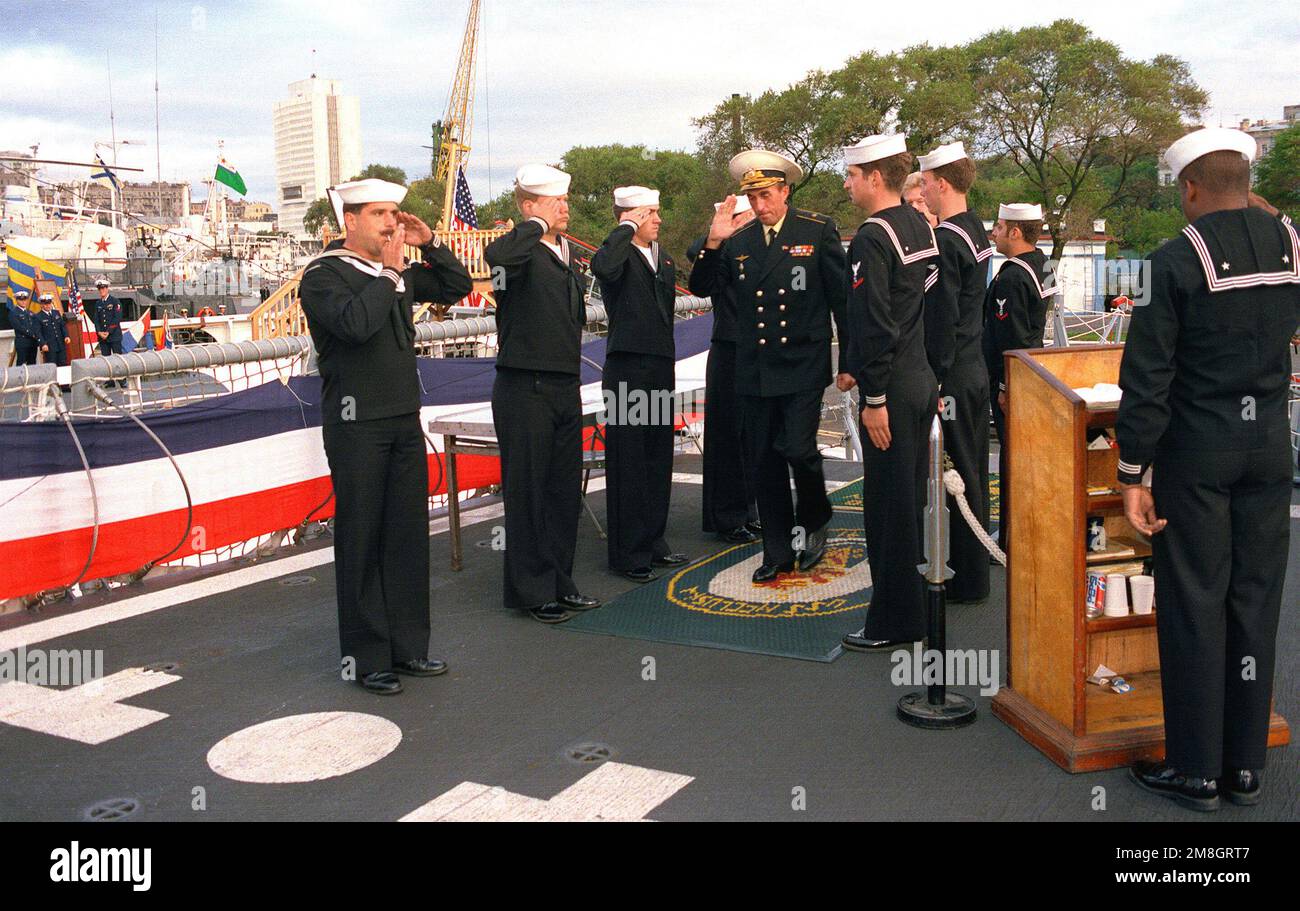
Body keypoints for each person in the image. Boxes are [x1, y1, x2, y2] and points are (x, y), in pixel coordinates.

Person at [1119, 128, 1299, 811]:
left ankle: (1196, 769)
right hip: (1269, 448)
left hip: (1197, 454)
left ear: (1189, 187)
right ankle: (1245, 766)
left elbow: (1148, 377)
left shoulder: (1168, 262)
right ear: (1245, 181)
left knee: (1196, 606)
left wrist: (1133, 473)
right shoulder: (1292, 245)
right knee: (1255, 600)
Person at [299, 177, 473, 695]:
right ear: (350, 221)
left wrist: (432, 245)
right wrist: (392, 274)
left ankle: (408, 648)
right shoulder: (324, 276)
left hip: (401, 419)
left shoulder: (392, 273)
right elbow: (354, 326)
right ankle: (366, 657)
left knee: (405, 537)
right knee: (362, 539)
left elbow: (457, 285)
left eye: (395, 213)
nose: (392, 222)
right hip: (357, 426)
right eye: (380, 214)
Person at [688, 149, 849, 583]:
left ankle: (814, 518)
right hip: (754, 369)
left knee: (797, 449)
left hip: (801, 364)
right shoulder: (737, 242)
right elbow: (700, 286)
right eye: (753, 198)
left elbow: (842, 301)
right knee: (763, 462)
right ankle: (777, 550)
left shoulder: (816, 231)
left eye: (766, 196)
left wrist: (850, 360)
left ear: (785, 191)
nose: (760, 206)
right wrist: (714, 239)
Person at [485, 164, 603, 624]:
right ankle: (532, 591)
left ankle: (560, 581)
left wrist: (547, 228)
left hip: (562, 384)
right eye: (555, 202)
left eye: (565, 200)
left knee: (561, 491)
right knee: (529, 492)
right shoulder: (518, 250)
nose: (565, 208)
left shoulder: (564, 250)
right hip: (524, 386)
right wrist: (533, 225)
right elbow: (496, 257)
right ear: (529, 206)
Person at [839, 134, 940, 652]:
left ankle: (894, 620)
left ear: (874, 177)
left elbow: (876, 321)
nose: (848, 183)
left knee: (887, 507)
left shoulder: (873, 236)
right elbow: (923, 304)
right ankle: (914, 608)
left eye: (852, 174)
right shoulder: (918, 223)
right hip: (919, 375)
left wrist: (873, 395)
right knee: (909, 499)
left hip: (893, 388)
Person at [591, 186, 689, 582]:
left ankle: (653, 540)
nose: (659, 220)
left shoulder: (660, 256)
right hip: (627, 370)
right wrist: (623, 228)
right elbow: (604, 268)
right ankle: (628, 552)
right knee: (629, 460)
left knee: (656, 455)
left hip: (659, 366)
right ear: (631, 217)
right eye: (651, 213)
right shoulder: (617, 253)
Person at [919, 141, 993, 602]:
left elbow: (941, 315)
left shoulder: (947, 239)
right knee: (972, 470)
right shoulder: (975, 230)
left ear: (941, 183)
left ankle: (967, 578)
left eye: (925, 183)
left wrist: (935, 374)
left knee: (957, 476)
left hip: (954, 372)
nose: (922, 191)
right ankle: (974, 570)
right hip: (974, 366)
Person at [982, 202, 1056, 554]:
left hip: (1014, 376)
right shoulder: (1045, 263)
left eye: (998, 226)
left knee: (1014, 458)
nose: (993, 233)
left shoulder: (1011, 275)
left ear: (1014, 231)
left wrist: (1004, 385)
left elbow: (1011, 335)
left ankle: (1012, 537)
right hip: (1037, 370)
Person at [691, 196, 760, 544]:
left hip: (757, 350)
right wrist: (719, 234)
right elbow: (697, 262)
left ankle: (749, 509)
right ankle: (726, 517)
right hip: (729, 349)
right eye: (747, 213)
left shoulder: (762, 244)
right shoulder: (720, 247)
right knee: (727, 438)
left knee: (752, 437)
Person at [90, 277, 124, 356]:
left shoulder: (115, 301)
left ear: (107, 288)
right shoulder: (98, 303)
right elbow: (96, 320)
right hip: (103, 338)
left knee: (118, 360)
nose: (101, 290)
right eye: (99, 289)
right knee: (106, 361)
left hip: (114, 336)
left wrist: (108, 331)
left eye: (103, 288)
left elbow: (117, 318)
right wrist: (99, 332)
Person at [7, 290, 40, 366]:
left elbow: (36, 324)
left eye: (25, 299)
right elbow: (19, 328)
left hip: (32, 342)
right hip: (22, 342)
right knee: (21, 364)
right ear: (17, 300)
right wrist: (33, 334)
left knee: (32, 363)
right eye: (21, 300)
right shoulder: (13, 313)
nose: (23, 302)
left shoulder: (29, 312)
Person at [37, 293, 69, 366]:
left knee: (63, 363)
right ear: (41, 305)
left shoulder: (56, 313)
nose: (48, 306)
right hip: (49, 346)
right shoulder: (38, 316)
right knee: (52, 365)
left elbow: (62, 326)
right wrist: (43, 344)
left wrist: (66, 336)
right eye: (45, 304)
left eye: (49, 303)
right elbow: (38, 333)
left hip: (60, 344)